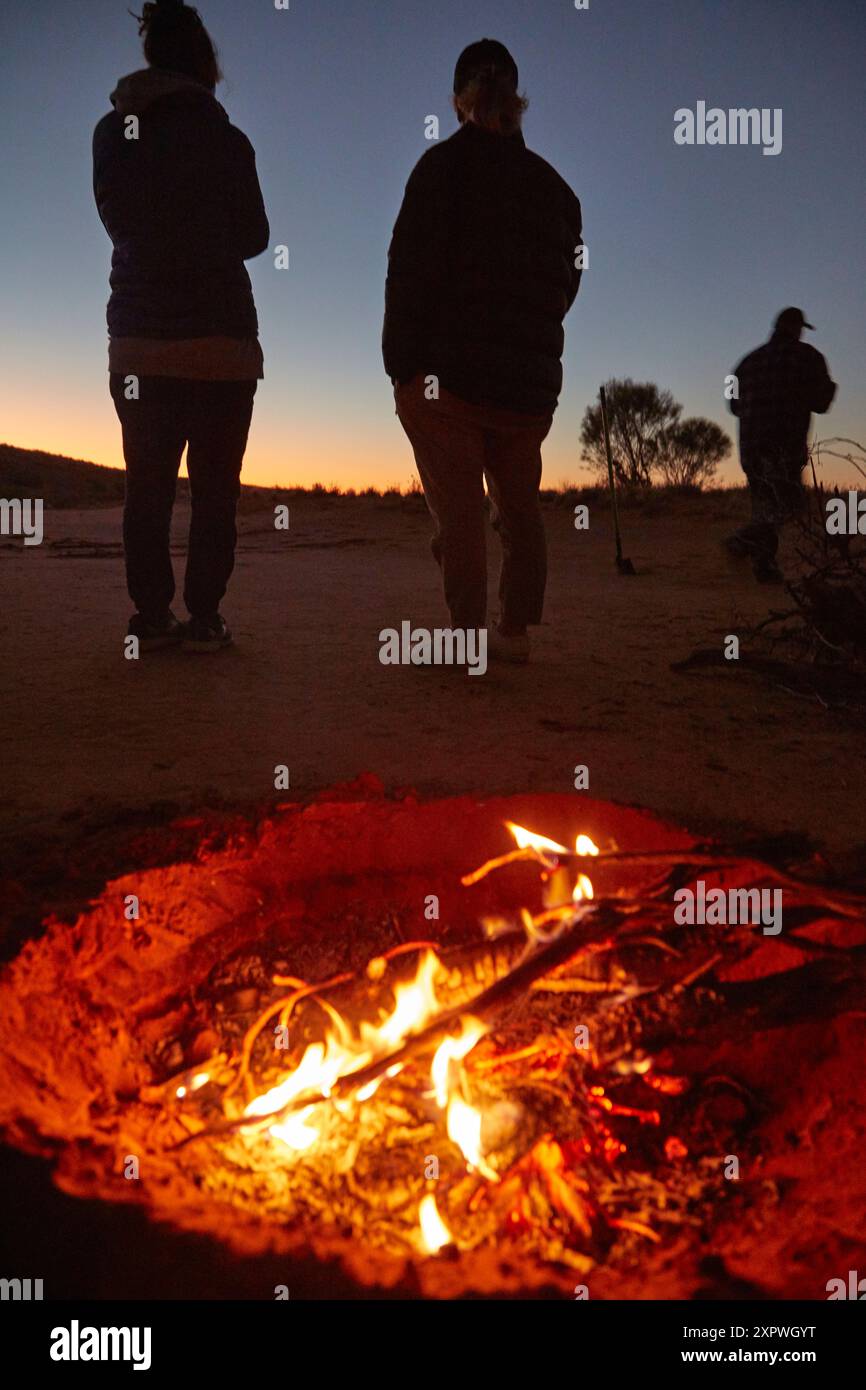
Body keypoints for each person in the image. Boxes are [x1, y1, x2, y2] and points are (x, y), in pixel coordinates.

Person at [383, 40, 583, 663]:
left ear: (458, 99)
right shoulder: (557, 192)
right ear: (517, 102)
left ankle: (468, 637)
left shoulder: (441, 168)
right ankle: (514, 632)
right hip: (525, 391)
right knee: (518, 508)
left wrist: (402, 364)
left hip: (450, 383)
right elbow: (565, 286)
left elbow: (408, 271)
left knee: (462, 513)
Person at [93, 0, 269, 651]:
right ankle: (205, 617)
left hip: (141, 341)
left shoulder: (112, 134)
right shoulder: (227, 141)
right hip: (222, 344)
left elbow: (122, 222)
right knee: (215, 493)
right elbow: (255, 234)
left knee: (148, 488)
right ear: (204, 64)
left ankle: (151, 615)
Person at [726, 308, 836, 583]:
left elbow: (733, 404)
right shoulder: (808, 357)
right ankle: (742, 541)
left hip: (750, 447)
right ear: (797, 329)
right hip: (784, 445)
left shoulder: (746, 362)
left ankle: (764, 566)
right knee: (790, 503)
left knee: (764, 503)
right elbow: (821, 402)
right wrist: (830, 389)